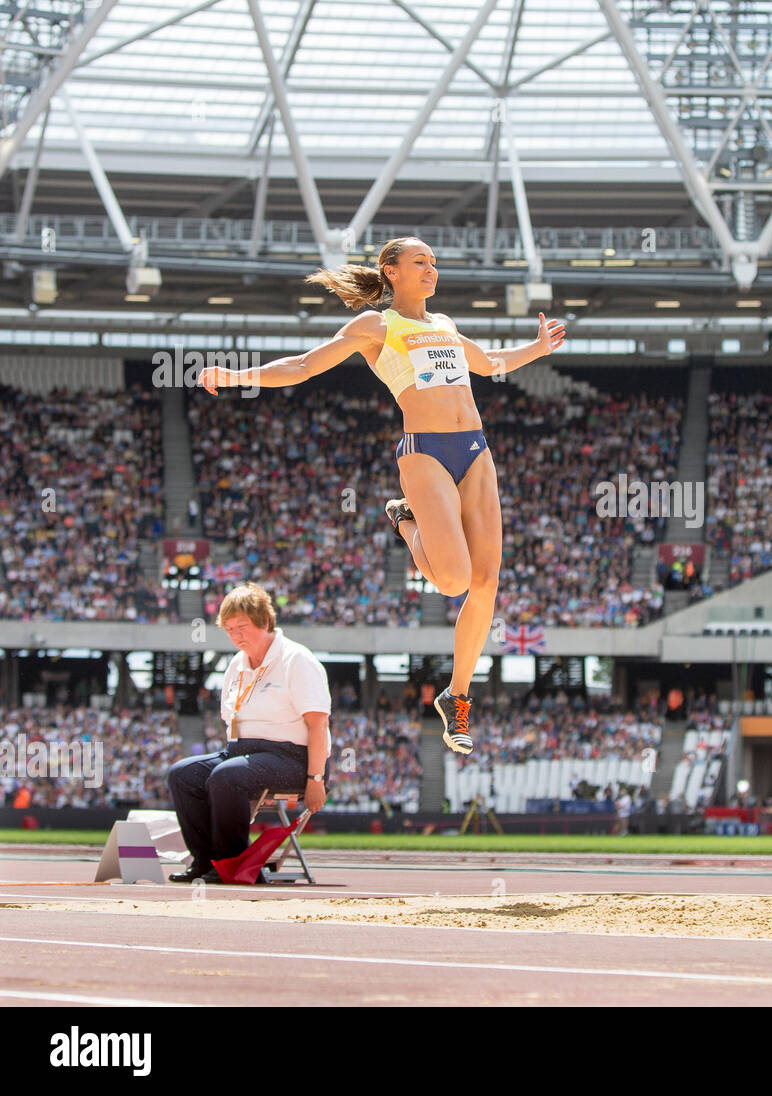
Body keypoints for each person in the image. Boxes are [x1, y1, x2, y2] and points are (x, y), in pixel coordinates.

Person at [201, 237, 564, 755]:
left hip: (476, 450)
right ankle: (407, 520)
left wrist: (538, 348)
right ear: (390, 271)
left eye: (435, 261)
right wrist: (238, 375)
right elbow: (303, 365)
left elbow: (490, 364)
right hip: (426, 453)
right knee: (454, 580)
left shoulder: (446, 326)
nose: (431, 269)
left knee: (485, 584)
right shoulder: (377, 327)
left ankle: (457, 697)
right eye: (421, 262)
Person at [166, 583, 331, 883]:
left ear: (265, 622)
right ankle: (205, 861)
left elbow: (318, 724)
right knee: (182, 774)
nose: (235, 635)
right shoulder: (236, 665)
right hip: (241, 752)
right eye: (229, 629)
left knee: (227, 776)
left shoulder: (296, 659)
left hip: (294, 758)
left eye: (242, 626)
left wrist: (316, 779)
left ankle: (232, 865)